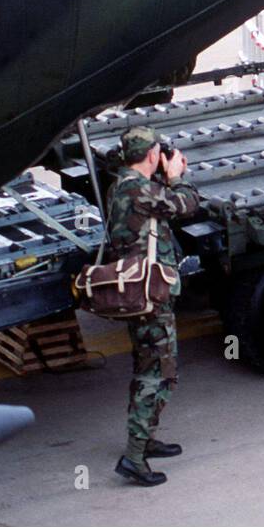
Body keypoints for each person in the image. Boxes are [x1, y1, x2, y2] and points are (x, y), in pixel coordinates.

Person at [108, 126, 201, 487]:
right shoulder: (139, 190)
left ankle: (143, 439)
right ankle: (133, 457)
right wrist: (176, 176)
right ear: (151, 155)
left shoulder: (123, 185)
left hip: (140, 292)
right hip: (149, 296)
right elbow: (187, 205)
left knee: (147, 365)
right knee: (160, 372)